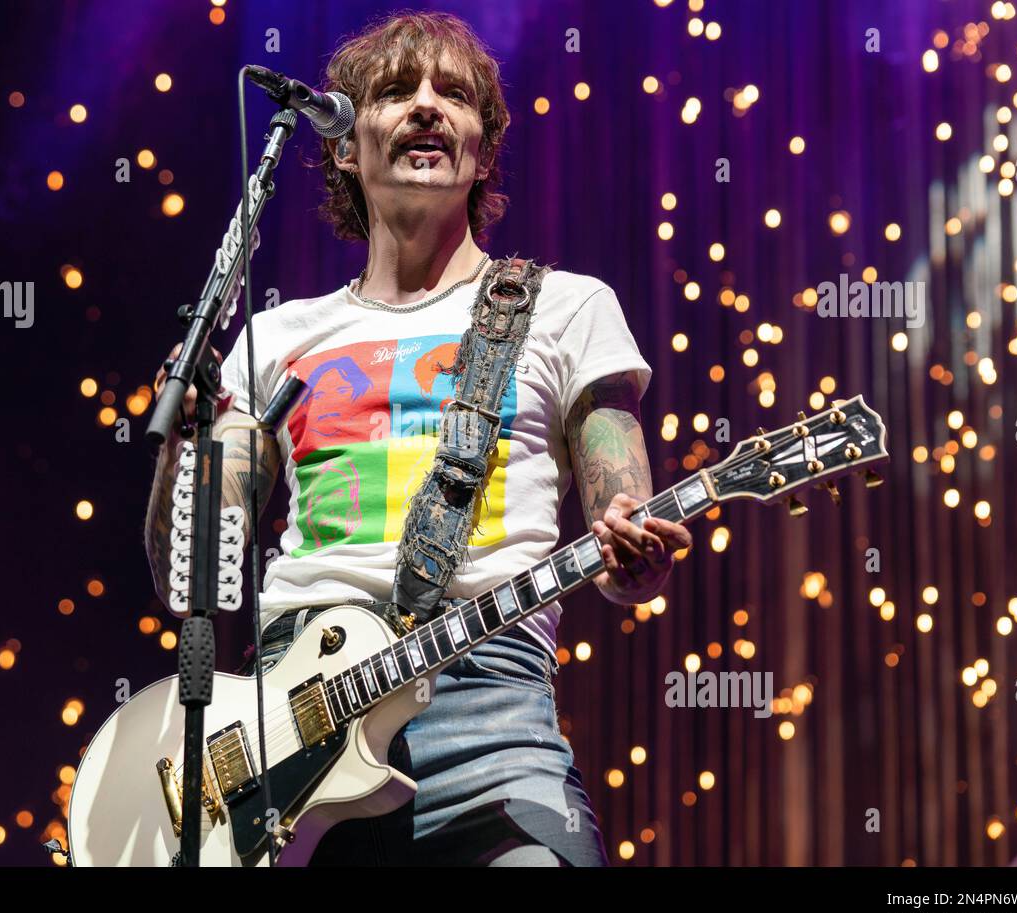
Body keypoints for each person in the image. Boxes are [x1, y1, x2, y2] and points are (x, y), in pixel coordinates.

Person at [145, 10, 691, 866]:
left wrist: (638, 555)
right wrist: (183, 444)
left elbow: (624, 522)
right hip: (295, 717)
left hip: (491, 712)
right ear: (344, 145)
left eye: (454, 95)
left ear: (481, 146)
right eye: (397, 92)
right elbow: (195, 579)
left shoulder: (566, 308)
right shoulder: (278, 335)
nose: (428, 108)